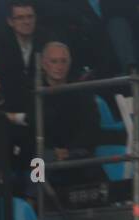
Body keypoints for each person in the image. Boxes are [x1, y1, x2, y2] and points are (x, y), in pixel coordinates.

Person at [35, 41, 102, 187]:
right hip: (43, 153)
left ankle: (97, 206)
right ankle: (34, 203)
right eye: (54, 61)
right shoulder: (34, 93)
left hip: (75, 151)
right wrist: (53, 151)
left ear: (69, 63)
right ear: (43, 64)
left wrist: (68, 150)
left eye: (63, 61)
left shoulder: (82, 91)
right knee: (36, 166)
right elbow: (29, 129)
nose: (59, 66)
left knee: (92, 166)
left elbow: (92, 126)